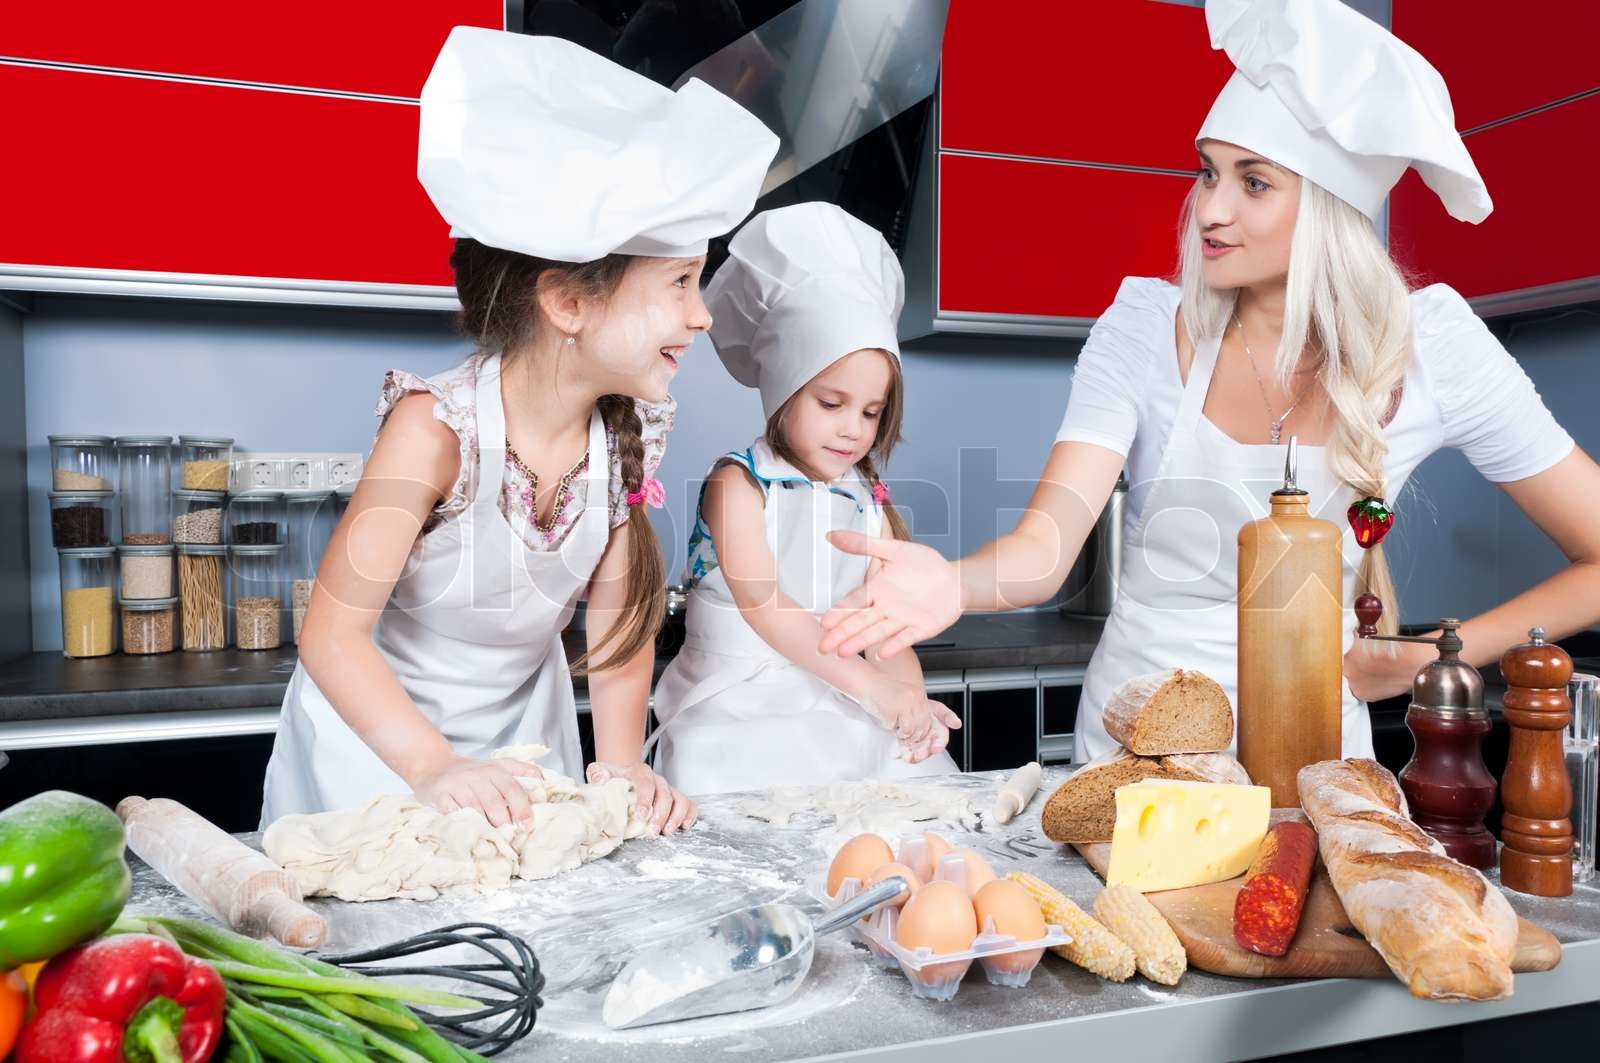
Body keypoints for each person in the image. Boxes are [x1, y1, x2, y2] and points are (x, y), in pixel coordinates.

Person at [816, 0, 1600, 763]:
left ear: (1329, 209)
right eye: (1208, 173)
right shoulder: (1143, 328)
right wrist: (953, 584)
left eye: (1253, 183)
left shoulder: (1434, 347)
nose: (1209, 211)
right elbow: (1043, 551)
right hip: (1138, 759)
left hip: (1314, 763)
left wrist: (1435, 653)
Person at [260, 28, 778, 828]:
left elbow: (621, 620)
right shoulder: (435, 431)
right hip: (379, 760)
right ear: (568, 303)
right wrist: (432, 765)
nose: (702, 314)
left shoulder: (626, 434)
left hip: (524, 752)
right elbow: (331, 634)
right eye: (679, 282)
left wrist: (621, 766)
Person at [648, 203, 961, 794]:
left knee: (908, 798)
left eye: (871, 413)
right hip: (734, 709)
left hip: (839, 696)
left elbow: (883, 623)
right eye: (831, 403)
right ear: (783, 391)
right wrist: (874, 690)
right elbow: (764, 606)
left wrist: (910, 702)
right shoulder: (737, 483)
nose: (852, 430)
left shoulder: (865, 497)